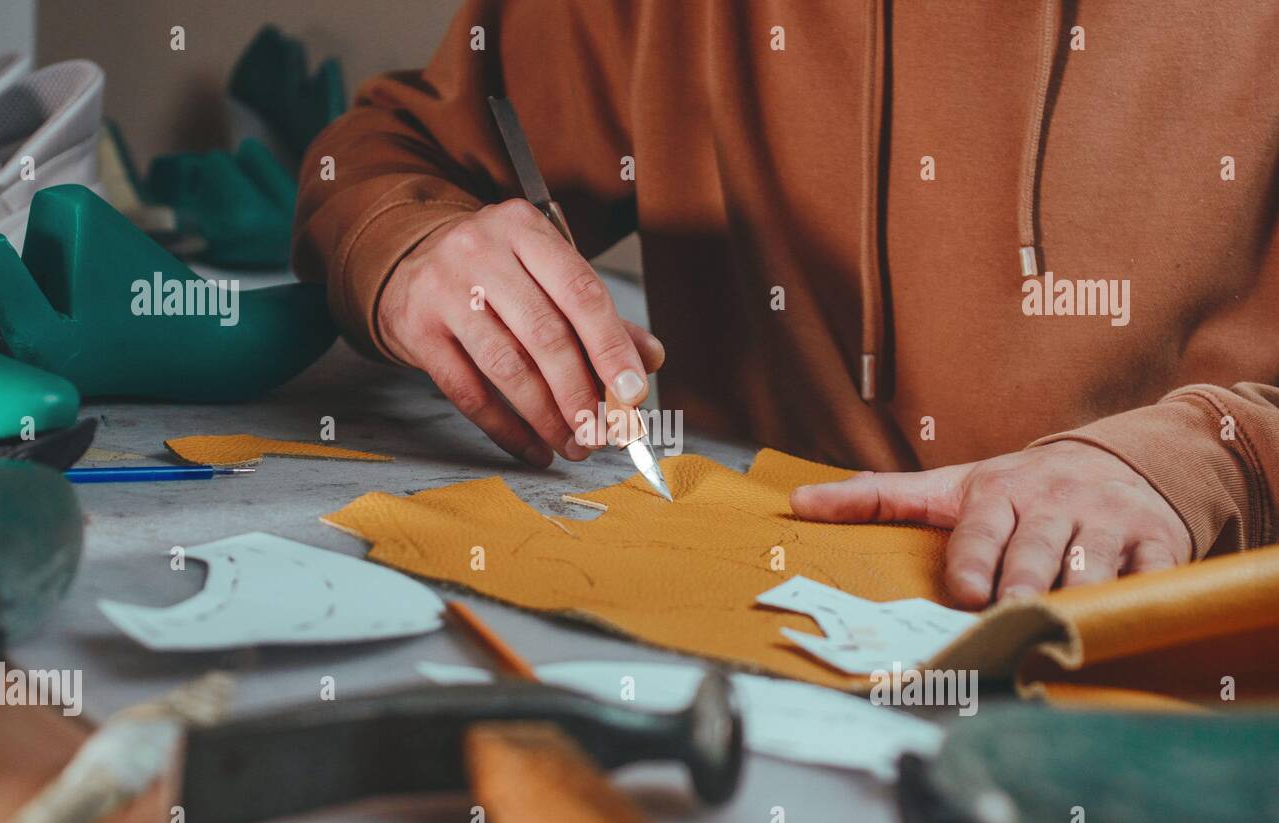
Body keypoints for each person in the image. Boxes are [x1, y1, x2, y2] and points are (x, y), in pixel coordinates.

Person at [292, 0, 1279, 609]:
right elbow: (380, 156)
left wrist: (1209, 463)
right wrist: (413, 249)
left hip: (1175, 684)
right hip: (715, 633)